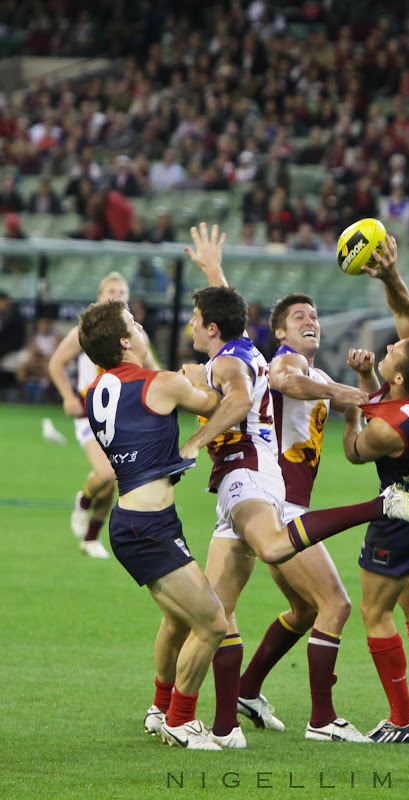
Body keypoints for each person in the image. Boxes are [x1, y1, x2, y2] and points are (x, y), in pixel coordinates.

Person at [179, 223, 409, 749]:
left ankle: (223, 702)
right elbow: (289, 382)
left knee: (264, 612)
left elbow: (353, 445)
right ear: (280, 334)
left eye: (314, 316)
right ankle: (322, 718)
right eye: (298, 318)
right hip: (277, 503)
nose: (310, 321)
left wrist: (358, 388)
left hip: (256, 497)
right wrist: (352, 393)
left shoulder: (297, 365)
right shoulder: (288, 363)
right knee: (334, 605)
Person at [78, 299, 226, 750]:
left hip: (133, 519)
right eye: (135, 324)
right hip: (149, 525)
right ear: (125, 341)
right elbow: (216, 402)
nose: (142, 329)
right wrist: (199, 379)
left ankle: (160, 709)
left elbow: (136, 437)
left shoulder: (96, 391)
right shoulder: (161, 383)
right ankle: (181, 722)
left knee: (177, 622)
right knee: (213, 624)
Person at [343, 234, 409, 744]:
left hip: (404, 511)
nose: (389, 345)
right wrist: (389, 274)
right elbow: (407, 311)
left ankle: (402, 717)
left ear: (402, 376)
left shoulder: (391, 429)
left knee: (374, 611)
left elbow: (355, 450)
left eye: (391, 353)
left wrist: (353, 405)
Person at [48, 272, 158, 558]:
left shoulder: (136, 334)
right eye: (111, 290)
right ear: (99, 297)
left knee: (114, 479)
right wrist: (68, 397)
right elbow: (56, 363)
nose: (116, 295)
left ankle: (90, 538)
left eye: (121, 291)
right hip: (90, 411)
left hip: (123, 415)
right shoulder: (86, 331)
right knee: (107, 473)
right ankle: (84, 501)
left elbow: (153, 372)